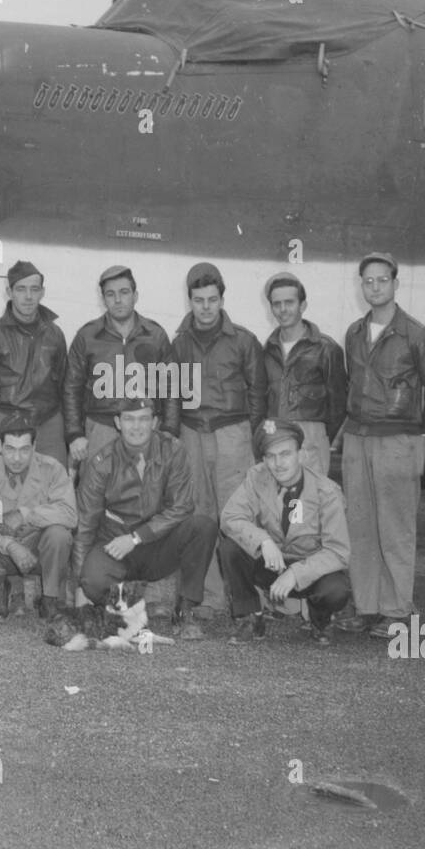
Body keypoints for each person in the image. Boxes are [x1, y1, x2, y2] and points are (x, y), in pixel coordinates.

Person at [341, 251, 425, 638]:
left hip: (397, 440)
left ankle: (397, 610)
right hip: (358, 439)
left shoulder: (418, 336)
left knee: (396, 528)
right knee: (361, 527)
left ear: (395, 283)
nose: (374, 287)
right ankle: (366, 607)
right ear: (362, 286)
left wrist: (418, 434)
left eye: (382, 280)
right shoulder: (354, 333)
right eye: (368, 281)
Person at [72, 397, 217, 641]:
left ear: (155, 422)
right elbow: (86, 523)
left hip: (157, 542)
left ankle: (185, 609)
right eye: (129, 419)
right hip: (115, 543)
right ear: (118, 422)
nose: (136, 427)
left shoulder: (173, 450)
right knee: (93, 580)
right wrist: (79, 585)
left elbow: (182, 506)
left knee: (202, 527)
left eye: (143, 419)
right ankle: (123, 609)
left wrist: (137, 537)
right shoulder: (101, 462)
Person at [169, 262, 267, 616]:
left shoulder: (244, 341)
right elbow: (172, 396)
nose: (206, 307)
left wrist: (253, 441)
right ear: (190, 301)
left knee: (238, 515)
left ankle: (250, 598)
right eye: (199, 300)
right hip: (192, 432)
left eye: (212, 299)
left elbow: (258, 395)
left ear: (222, 299)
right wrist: (173, 437)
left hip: (233, 433)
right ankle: (207, 598)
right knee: (200, 517)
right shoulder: (178, 343)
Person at [219, 419, 351, 646]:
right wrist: (263, 541)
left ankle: (320, 621)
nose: (278, 463)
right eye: (270, 456)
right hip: (272, 563)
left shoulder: (326, 492)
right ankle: (250, 616)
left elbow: (338, 552)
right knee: (230, 547)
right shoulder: (257, 478)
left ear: (301, 454)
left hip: (309, 569)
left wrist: (296, 574)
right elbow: (229, 517)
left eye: (285, 454)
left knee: (336, 589)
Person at [63, 265, 176, 470]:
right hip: (101, 428)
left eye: (124, 292)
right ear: (103, 299)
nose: (117, 300)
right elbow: (71, 388)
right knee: (96, 491)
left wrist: (168, 430)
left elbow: (171, 388)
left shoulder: (155, 335)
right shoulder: (87, 336)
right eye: (110, 294)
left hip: (144, 428)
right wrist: (75, 434)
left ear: (135, 295)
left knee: (145, 493)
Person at [0, 414, 77, 621]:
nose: (17, 458)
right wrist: (9, 545)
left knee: (59, 535)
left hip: (38, 547)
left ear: (34, 446)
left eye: (24, 449)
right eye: (10, 449)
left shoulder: (52, 469)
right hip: (3, 551)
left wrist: (26, 514)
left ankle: (49, 599)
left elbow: (70, 514)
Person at [0, 260, 69, 465]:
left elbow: (63, 384)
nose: (28, 296)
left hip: (48, 423)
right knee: (2, 489)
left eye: (34, 289)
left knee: (53, 488)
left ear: (42, 292)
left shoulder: (55, 334)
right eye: (21, 289)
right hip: (6, 422)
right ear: (9, 292)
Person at [261, 272, 347, 477]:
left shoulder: (326, 349)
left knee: (310, 504)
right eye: (276, 304)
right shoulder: (267, 351)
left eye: (289, 302)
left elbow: (339, 405)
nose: (283, 310)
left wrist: (315, 437)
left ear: (303, 305)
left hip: (311, 443)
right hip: (276, 439)